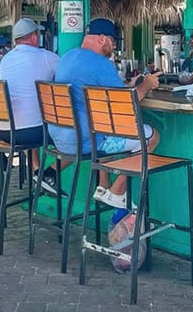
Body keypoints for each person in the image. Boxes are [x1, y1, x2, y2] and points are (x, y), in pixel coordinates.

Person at [50, 19, 160, 209]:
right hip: (88, 142)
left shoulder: (67, 57)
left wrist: (130, 86)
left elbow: (109, 90)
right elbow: (128, 103)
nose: (114, 45)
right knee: (151, 136)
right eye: (113, 40)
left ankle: (102, 186)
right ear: (102, 39)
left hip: (59, 138)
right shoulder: (101, 64)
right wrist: (147, 84)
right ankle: (117, 192)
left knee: (103, 124)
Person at [0, 18, 59, 191]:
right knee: (79, 136)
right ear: (33, 37)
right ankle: (50, 172)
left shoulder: (5, 60)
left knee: (28, 116)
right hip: (32, 133)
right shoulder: (47, 57)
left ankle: (37, 170)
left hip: (5, 132)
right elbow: (66, 75)